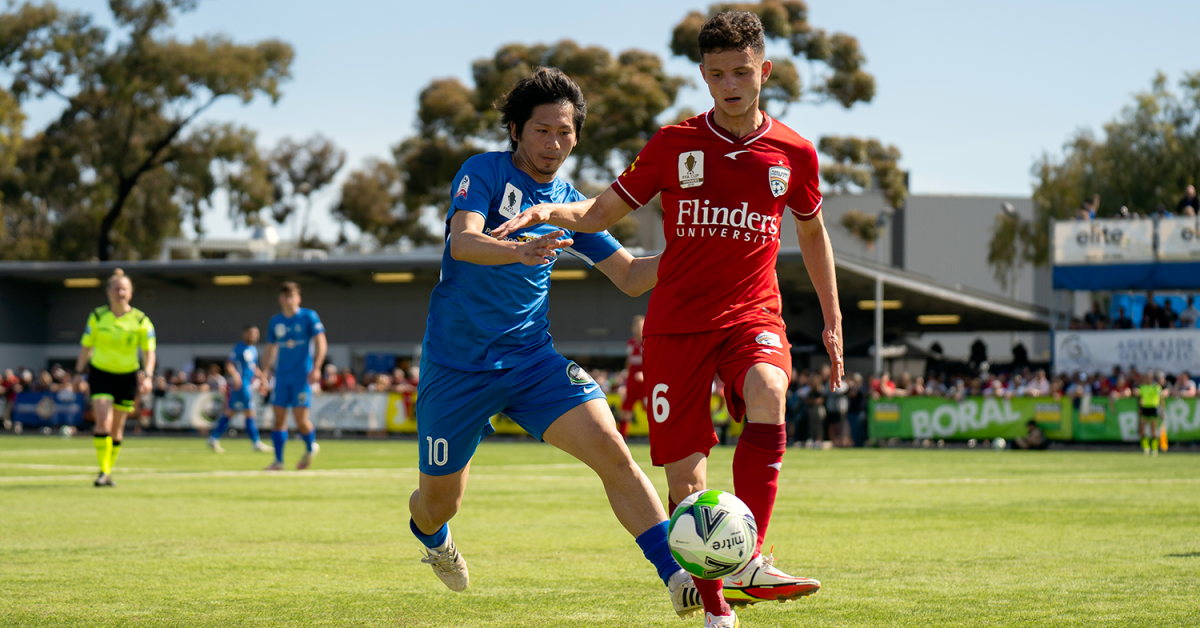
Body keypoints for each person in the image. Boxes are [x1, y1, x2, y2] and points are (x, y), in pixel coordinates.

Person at [492, 13, 831, 625]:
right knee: (686, 481)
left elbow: (812, 233)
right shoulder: (674, 144)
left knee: (770, 389)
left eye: (743, 72)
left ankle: (748, 555)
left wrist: (830, 321)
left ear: (765, 72)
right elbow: (599, 214)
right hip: (675, 326)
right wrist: (552, 210)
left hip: (751, 312)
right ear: (703, 75)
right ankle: (718, 610)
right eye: (719, 73)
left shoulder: (795, 153)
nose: (731, 84)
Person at [406, 68, 701, 619]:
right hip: (456, 367)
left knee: (613, 452)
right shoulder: (483, 172)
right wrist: (518, 249)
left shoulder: (574, 206)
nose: (554, 144)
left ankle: (676, 576)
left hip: (531, 361)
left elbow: (633, 276)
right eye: (542, 131)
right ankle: (431, 536)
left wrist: (697, 252)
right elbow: (465, 243)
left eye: (565, 133)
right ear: (516, 130)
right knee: (437, 503)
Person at [73, 269, 155, 487]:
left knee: (117, 428)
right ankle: (104, 471)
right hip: (101, 373)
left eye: (125, 289)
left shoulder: (140, 320)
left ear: (131, 293)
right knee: (103, 421)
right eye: (117, 288)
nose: (121, 292)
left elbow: (149, 352)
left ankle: (108, 470)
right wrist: (78, 373)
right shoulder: (98, 316)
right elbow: (86, 346)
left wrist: (147, 376)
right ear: (108, 292)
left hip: (127, 376)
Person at [260, 282, 326, 471]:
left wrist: (317, 367)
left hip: (302, 378)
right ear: (280, 299)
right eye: (285, 297)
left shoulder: (308, 316)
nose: (289, 300)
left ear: (298, 299)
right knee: (278, 419)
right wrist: (264, 374)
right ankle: (278, 462)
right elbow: (270, 349)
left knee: (300, 420)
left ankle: (310, 448)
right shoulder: (275, 321)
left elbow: (322, 342)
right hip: (282, 378)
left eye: (292, 297)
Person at [208, 325, 273, 454]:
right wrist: (236, 377)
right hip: (241, 385)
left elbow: (253, 367)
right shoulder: (240, 347)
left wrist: (262, 377)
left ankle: (213, 438)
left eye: (255, 333)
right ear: (245, 334)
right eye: (250, 333)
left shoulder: (253, 349)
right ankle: (256, 442)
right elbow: (229, 364)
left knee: (230, 412)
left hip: (246, 384)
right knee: (249, 413)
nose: (253, 336)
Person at [617, 315, 646, 439]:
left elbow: (654, 362)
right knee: (624, 412)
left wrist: (646, 375)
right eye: (635, 326)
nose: (637, 328)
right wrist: (624, 380)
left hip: (645, 385)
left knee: (653, 412)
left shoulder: (648, 341)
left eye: (640, 325)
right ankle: (622, 440)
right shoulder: (631, 342)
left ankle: (660, 437)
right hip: (632, 384)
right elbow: (628, 362)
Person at [1137, 371, 1164, 456]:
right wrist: (1140, 407)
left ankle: (1154, 449)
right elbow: (1140, 398)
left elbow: (1161, 399)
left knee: (1153, 430)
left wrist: (1162, 411)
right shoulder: (1142, 387)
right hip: (1145, 409)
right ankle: (1146, 448)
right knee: (1142, 429)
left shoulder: (1156, 387)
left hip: (1153, 408)